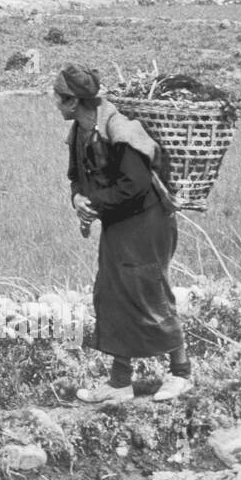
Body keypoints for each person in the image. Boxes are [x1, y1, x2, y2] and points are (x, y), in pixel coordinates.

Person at [54, 65, 193, 403]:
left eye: (58, 99)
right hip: (119, 222)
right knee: (113, 294)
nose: (54, 104)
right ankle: (120, 382)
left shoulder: (120, 129)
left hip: (148, 222)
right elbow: (76, 176)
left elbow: (136, 185)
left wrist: (94, 203)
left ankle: (181, 373)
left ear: (73, 102)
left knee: (149, 291)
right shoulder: (81, 132)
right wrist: (78, 199)